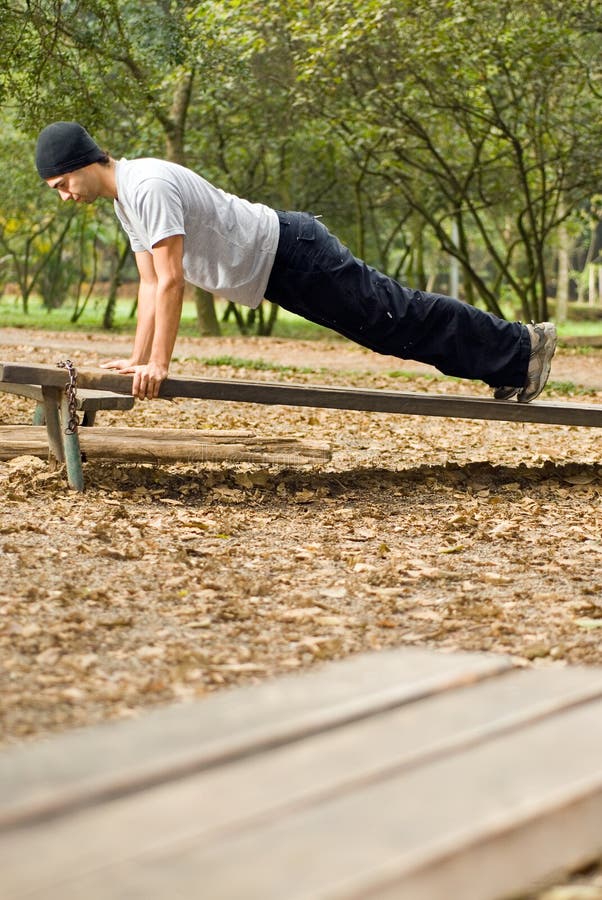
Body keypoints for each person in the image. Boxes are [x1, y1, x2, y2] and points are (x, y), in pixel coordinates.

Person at [35, 121, 557, 402]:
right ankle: (510, 362)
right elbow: (149, 284)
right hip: (279, 266)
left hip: (292, 252)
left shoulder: (146, 187)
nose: (65, 197)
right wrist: (138, 356)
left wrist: (160, 364)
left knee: (400, 315)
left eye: (62, 185)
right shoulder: (126, 199)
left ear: (82, 163)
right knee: (391, 331)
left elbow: (173, 282)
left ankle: (522, 346)